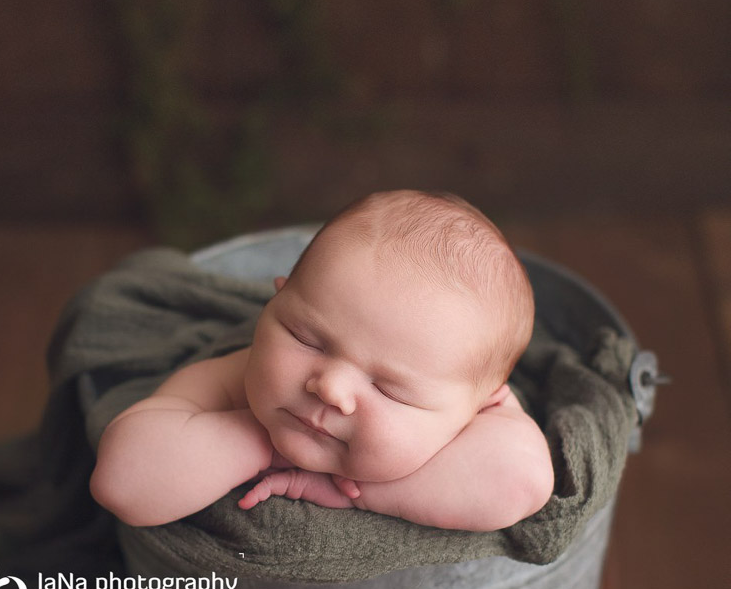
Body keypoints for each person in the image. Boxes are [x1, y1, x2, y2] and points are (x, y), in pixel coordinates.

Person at [90, 190, 555, 531]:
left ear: (481, 406)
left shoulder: (477, 420)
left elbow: (524, 483)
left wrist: (354, 492)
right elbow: (122, 483)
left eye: (389, 389)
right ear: (274, 301)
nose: (330, 387)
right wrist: (262, 444)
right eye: (305, 338)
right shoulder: (231, 379)